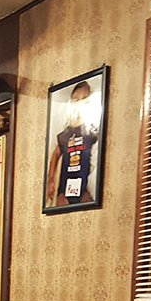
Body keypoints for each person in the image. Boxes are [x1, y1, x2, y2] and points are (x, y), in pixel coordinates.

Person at [45, 80, 98, 208]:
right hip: (64, 188)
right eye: (76, 100)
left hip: (83, 186)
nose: (80, 103)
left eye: (84, 100)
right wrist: (50, 179)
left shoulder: (90, 131)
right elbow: (56, 154)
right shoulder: (65, 135)